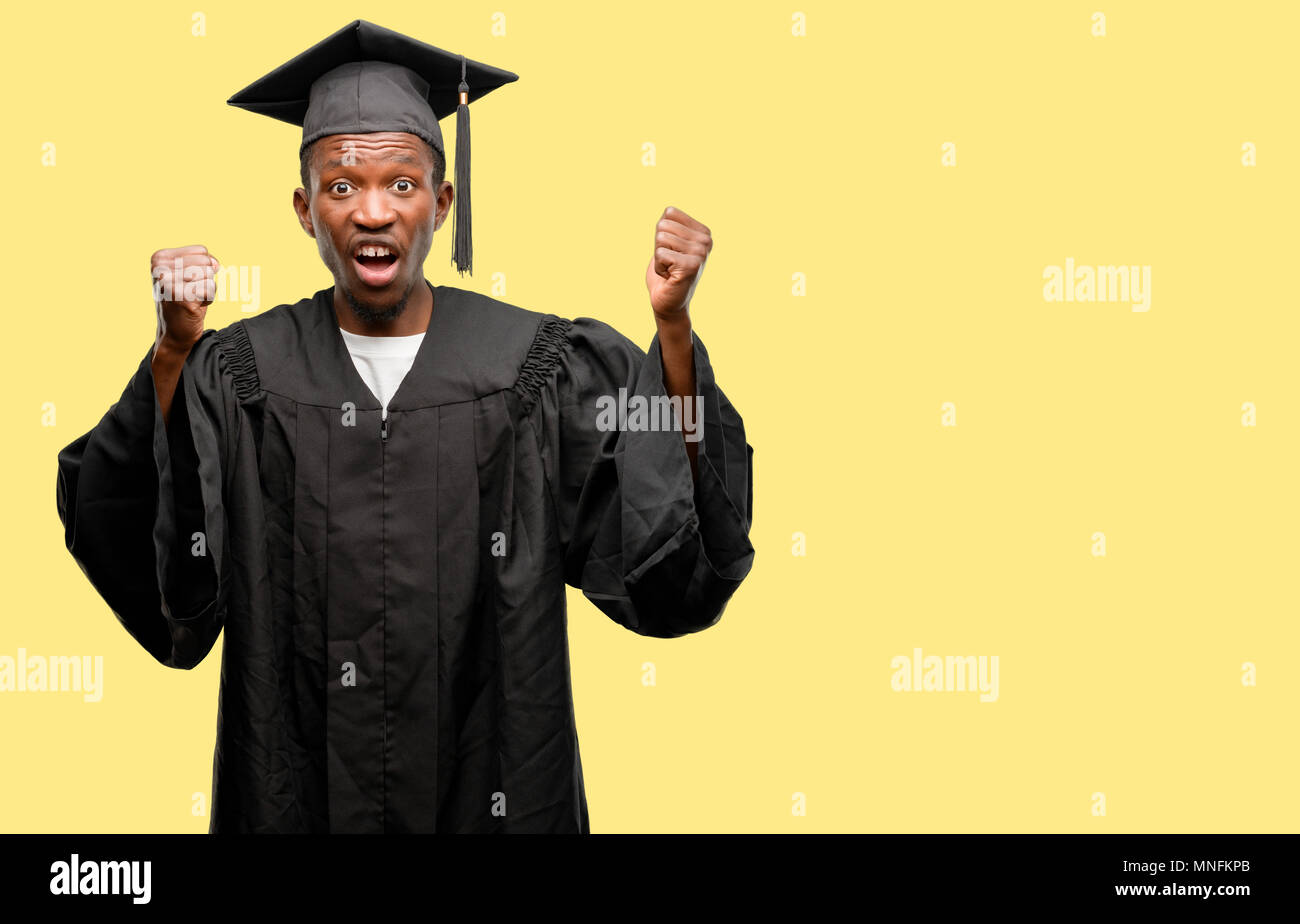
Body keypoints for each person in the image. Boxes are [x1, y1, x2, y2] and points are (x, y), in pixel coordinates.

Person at [54, 20, 754, 833]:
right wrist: (173, 351)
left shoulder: (532, 366)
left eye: (403, 184)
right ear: (305, 211)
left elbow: (670, 549)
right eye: (342, 187)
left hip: (497, 793)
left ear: (442, 202)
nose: (373, 212)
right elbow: (146, 549)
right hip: (295, 799)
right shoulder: (242, 374)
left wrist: (671, 332)